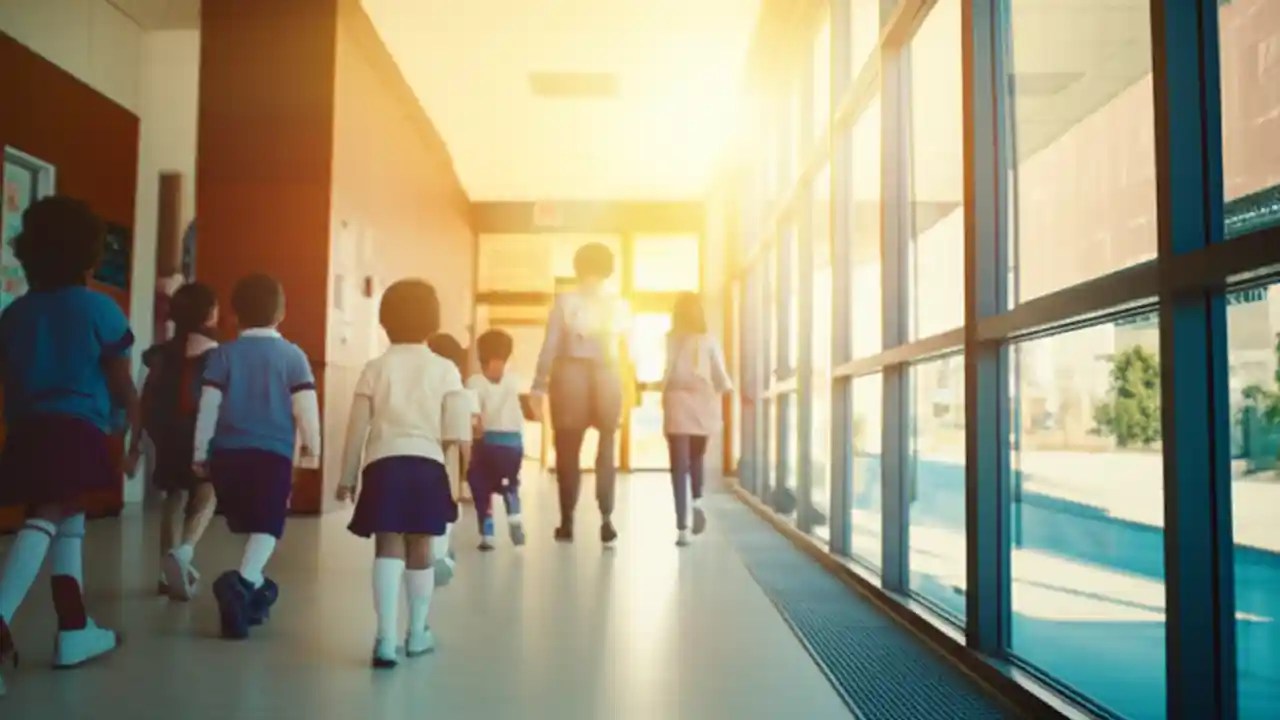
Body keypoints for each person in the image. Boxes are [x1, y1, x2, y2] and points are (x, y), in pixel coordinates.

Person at [0, 196, 143, 695]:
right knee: (52, 511)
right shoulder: (99, 309)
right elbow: (124, 387)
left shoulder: (14, 315)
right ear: (89, 255)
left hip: (27, 429)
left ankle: (75, 627)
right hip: (77, 427)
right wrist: (128, 442)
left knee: (69, 518)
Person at [337, 280, 469, 668]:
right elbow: (456, 433)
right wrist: (455, 485)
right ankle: (417, 633)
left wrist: (347, 477)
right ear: (433, 322)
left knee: (387, 545)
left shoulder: (375, 369)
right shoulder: (446, 369)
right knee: (421, 548)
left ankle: (384, 638)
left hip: (383, 464)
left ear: (384, 321)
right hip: (428, 465)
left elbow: (356, 428)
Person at [192, 273, 320, 640]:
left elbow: (209, 407)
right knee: (269, 525)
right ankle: (242, 583)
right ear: (282, 314)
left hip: (228, 456)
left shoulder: (223, 355)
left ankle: (258, 594)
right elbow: (306, 409)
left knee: (250, 523)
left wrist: (201, 453)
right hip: (272, 454)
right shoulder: (293, 356)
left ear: (234, 316)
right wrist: (312, 450)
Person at [531, 242, 628, 547]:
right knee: (607, 450)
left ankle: (567, 520)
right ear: (608, 269)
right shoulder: (618, 304)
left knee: (568, 452)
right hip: (607, 375)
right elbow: (625, 351)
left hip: (570, 376)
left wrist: (538, 384)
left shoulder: (565, 302)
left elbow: (550, 345)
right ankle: (606, 518)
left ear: (578, 267)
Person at [141, 282, 219, 600]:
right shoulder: (217, 355)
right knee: (206, 491)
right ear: (210, 315)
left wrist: (137, 441)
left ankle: (164, 570)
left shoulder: (162, 354)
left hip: (166, 434)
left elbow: (147, 395)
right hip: (199, 432)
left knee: (172, 495)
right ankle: (185, 551)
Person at [662, 293, 732, 546]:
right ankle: (698, 502)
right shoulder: (709, 340)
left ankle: (682, 528)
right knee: (696, 458)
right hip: (703, 401)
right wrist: (726, 392)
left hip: (676, 401)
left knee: (678, 467)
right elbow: (721, 377)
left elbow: (668, 370)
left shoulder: (671, 339)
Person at [466, 329, 528, 550]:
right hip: (514, 444)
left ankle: (488, 529)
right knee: (510, 481)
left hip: (489, 442)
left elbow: (475, 419)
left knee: (479, 479)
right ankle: (514, 515)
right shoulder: (514, 379)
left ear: (482, 358)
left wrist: (474, 435)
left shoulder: (474, 382)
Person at [425, 332, 473, 585]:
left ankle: (429, 555)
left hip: (420, 454)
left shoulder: (421, 384)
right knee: (447, 510)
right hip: (445, 460)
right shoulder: (458, 390)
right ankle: (439, 556)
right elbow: (462, 439)